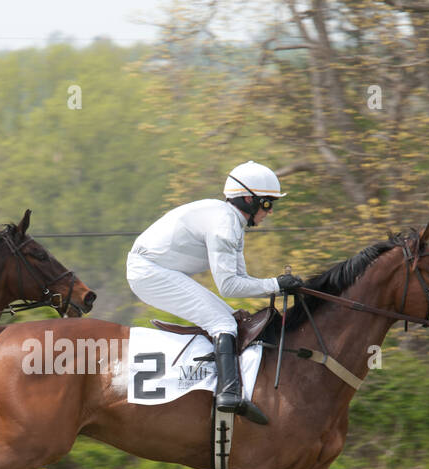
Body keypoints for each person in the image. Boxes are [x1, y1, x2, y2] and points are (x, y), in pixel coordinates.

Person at [126, 160, 301, 425]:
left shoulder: (232, 221)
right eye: (267, 203)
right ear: (247, 199)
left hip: (156, 270)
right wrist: (276, 285)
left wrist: (275, 284)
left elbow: (241, 279)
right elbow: (229, 286)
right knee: (222, 323)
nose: (270, 211)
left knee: (230, 318)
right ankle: (228, 394)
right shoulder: (224, 224)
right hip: (149, 272)